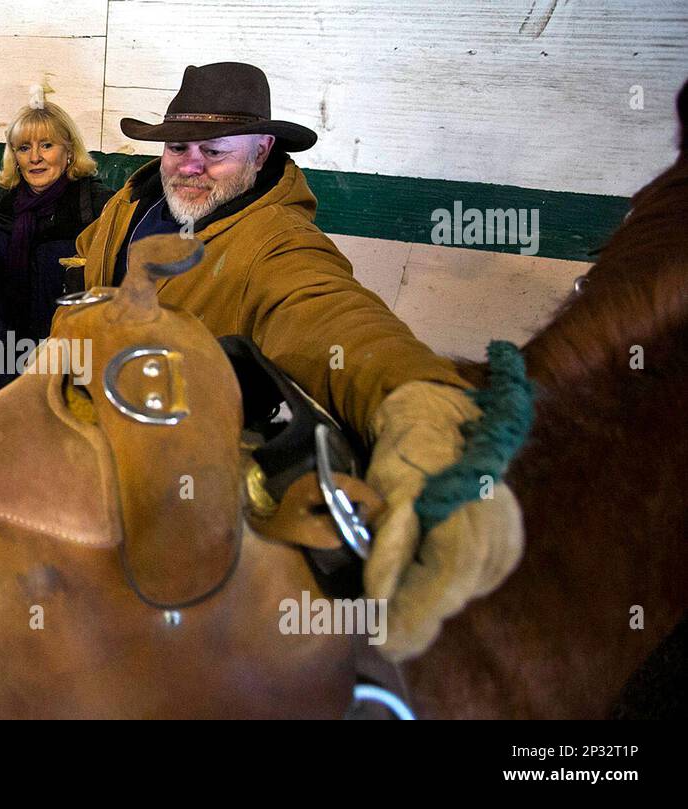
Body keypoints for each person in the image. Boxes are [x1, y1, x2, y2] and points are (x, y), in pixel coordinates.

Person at [70, 62, 523, 660]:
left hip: (169, 492)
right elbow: (92, 261)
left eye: (215, 151)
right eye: (178, 146)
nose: (190, 165)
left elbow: (331, 316)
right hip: (81, 442)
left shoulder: (277, 243)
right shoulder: (133, 202)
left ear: (262, 152)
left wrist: (420, 406)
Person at [0, 98, 112, 387]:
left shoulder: (97, 206)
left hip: (72, 345)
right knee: (9, 411)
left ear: (69, 150)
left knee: (67, 419)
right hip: (11, 338)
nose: (35, 157)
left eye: (47, 145)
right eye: (24, 148)